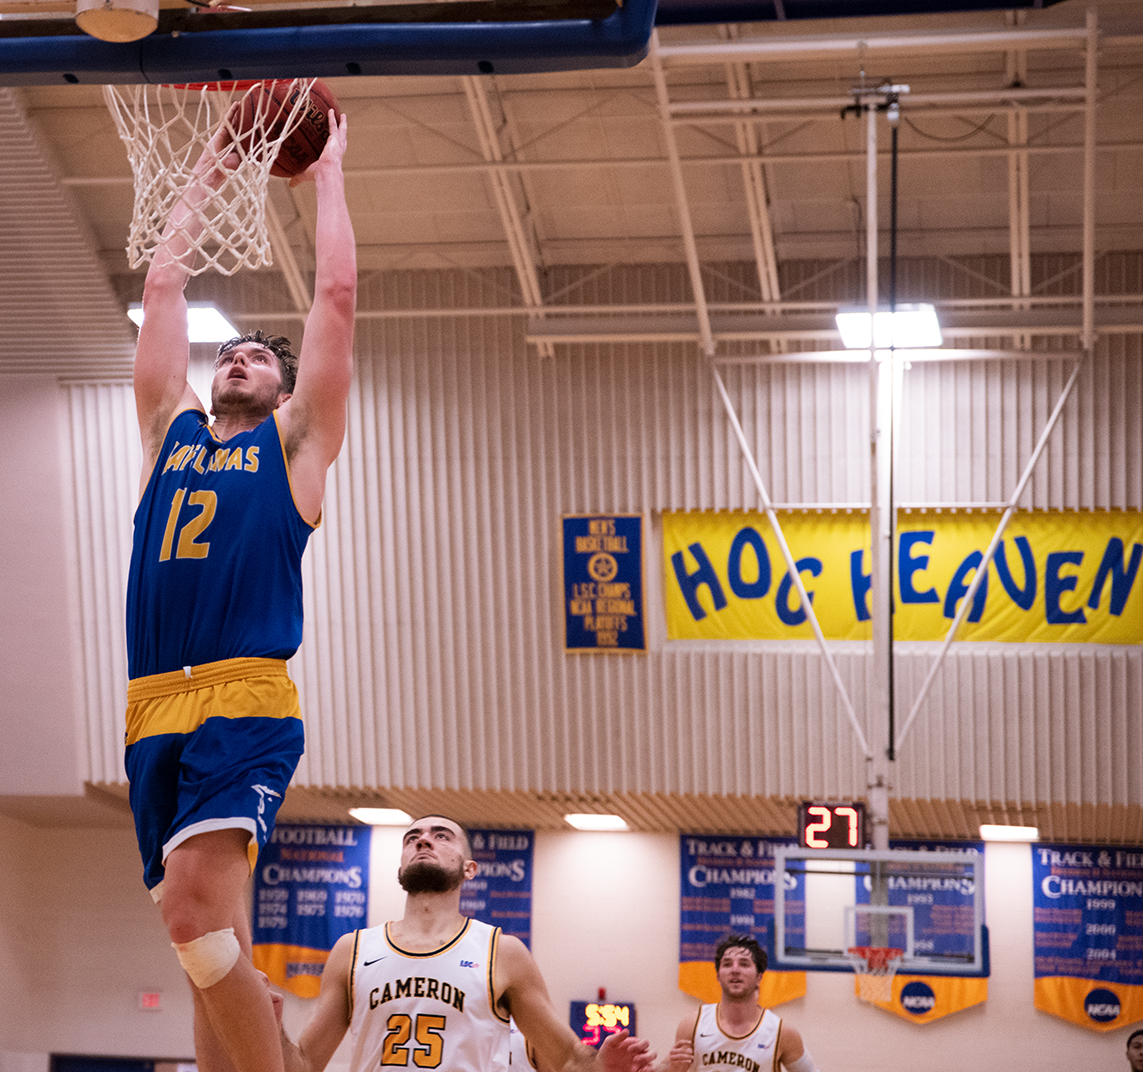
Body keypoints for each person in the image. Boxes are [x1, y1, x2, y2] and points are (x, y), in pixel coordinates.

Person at [125, 102, 356, 1072]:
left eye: (260, 356)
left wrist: (331, 172)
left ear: (285, 391)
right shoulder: (165, 435)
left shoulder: (296, 446)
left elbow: (337, 300)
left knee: (190, 913)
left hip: (243, 695)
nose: (239, 356)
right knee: (201, 949)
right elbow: (165, 284)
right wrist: (217, 160)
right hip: (149, 708)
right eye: (233, 352)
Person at [286, 816, 651, 1072]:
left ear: (469, 868)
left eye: (442, 836)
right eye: (412, 838)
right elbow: (303, 1064)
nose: (424, 840)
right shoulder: (353, 950)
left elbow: (567, 1058)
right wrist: (269, 1023)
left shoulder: (501, 952)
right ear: (400, 865)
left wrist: (602, 1065)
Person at [669, 936, 812, 1072]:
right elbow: (663, 1067)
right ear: (718, 976)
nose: (735, 970)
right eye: (727, 964)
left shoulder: (782, 1033)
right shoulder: (692, 1025)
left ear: (759, 977)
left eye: (744, 964)